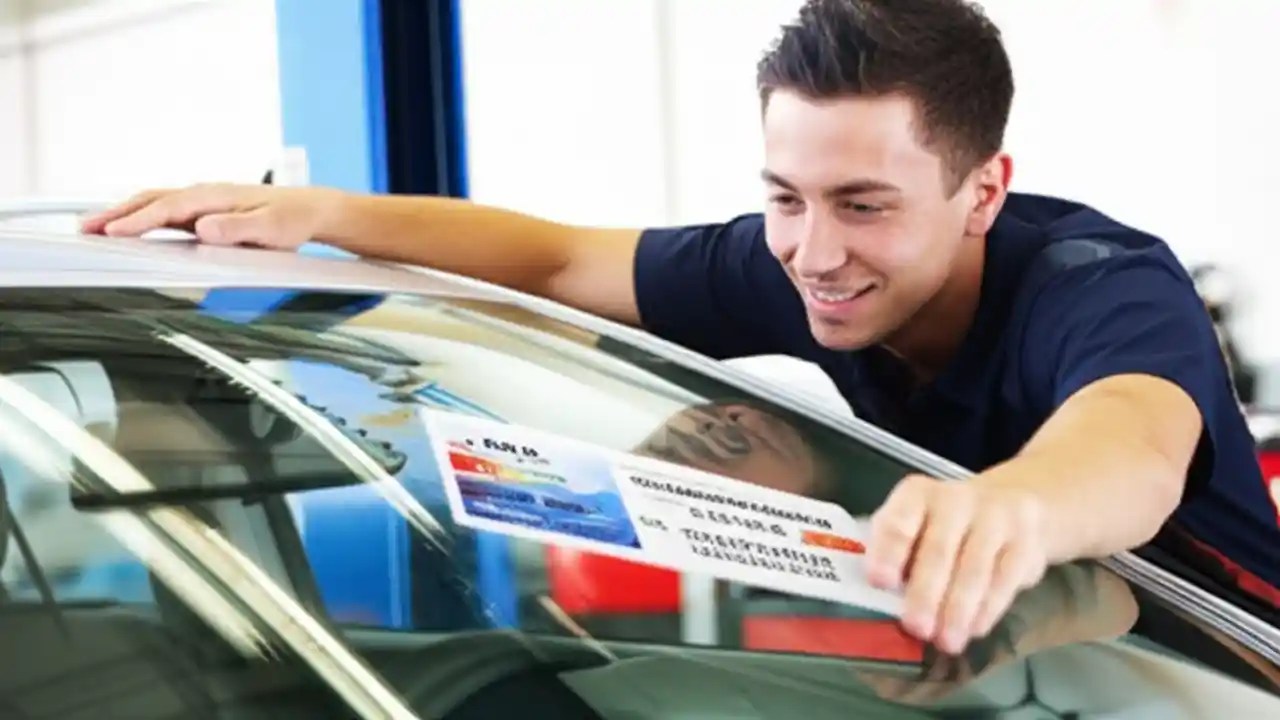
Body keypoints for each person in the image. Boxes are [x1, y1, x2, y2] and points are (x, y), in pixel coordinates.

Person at [82, 0, 1279, 651]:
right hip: (1049, 660)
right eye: (782, 197)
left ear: (982, 192)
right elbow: (552, 256)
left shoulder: (1097, 283)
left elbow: (1129, 441)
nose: (813, 253)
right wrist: (323, 212)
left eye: (864, 205)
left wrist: (1013, 505)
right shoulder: (807, 267)